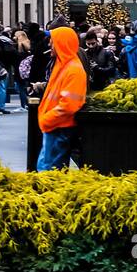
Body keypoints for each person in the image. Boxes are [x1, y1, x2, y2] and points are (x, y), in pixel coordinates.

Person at [36, 26, 87, 171]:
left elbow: (69, 105)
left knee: (47, 171)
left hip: (58, 128)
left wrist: (47, 119)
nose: (49, 44)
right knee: (47, 169)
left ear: (61, 44)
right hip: (56, 127)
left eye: (52, 41)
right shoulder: (64, 65)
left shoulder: (73, 70)